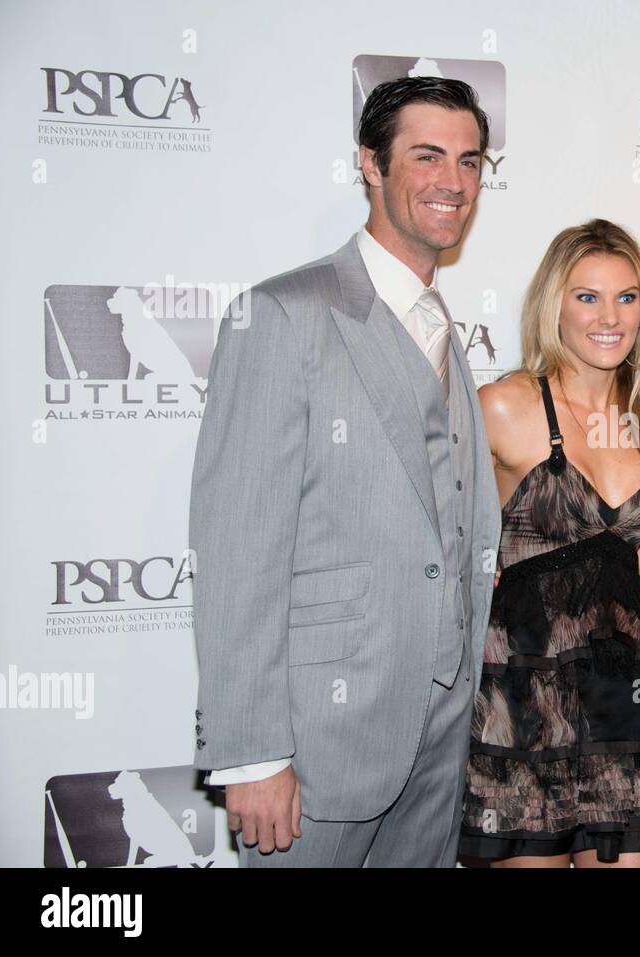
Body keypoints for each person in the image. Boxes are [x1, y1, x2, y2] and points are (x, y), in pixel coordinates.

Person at [189, 76, 500, 866]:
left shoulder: (439, 324)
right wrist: (255, 752)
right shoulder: (285, 315)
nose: (452, 182)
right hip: (319, 740)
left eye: (469, 161)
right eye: (427, 156)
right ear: (370, 163)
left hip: (439, 732)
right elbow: (238, 547)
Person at [459, 219, 640, 867]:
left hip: (623, 701)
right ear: (553, 306)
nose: (609, 316)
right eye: (587, 296)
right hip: (523, 706)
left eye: (626, 297)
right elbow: (428, 531)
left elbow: (625, 560)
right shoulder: (503, 406)